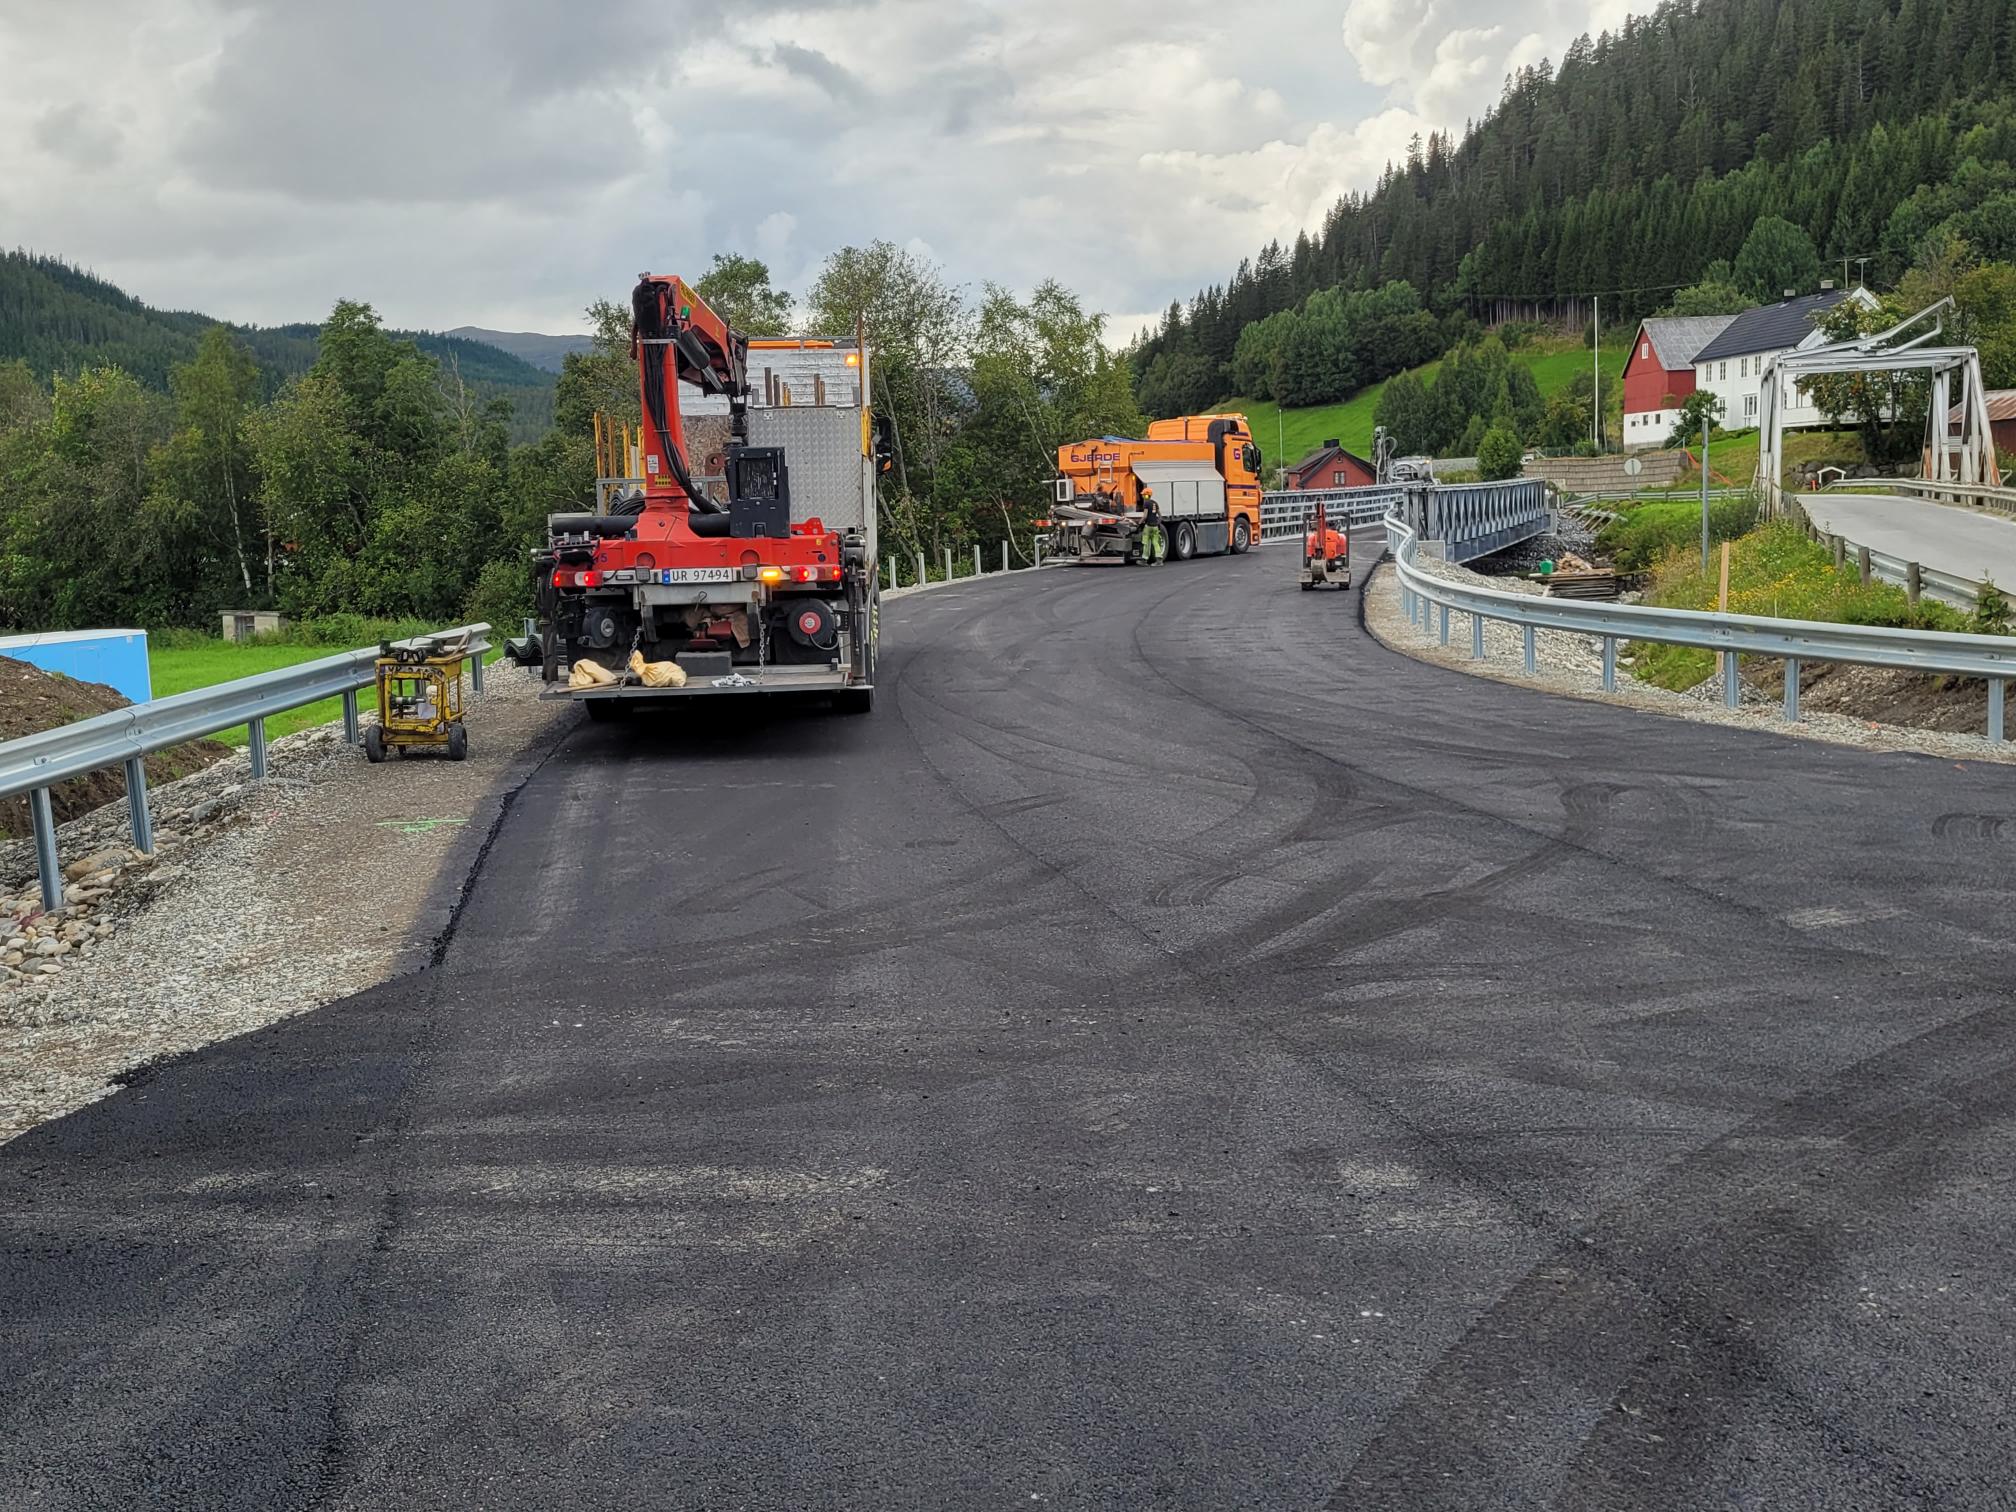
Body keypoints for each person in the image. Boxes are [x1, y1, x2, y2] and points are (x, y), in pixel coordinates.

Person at [1138, 489, 1166, 566]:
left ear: (1146, 495)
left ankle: (1144, 560)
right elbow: (1160, 516)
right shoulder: (1155, 503)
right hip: (1155, 527)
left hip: (1148, 526)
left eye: (1143, 495)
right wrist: (1158, 523)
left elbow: (1145, 516)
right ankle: (1159, 560)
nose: (1142, 496)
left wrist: (1139, 523)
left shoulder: (1146, 503)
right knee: (1156, 543)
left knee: (1146, 543)